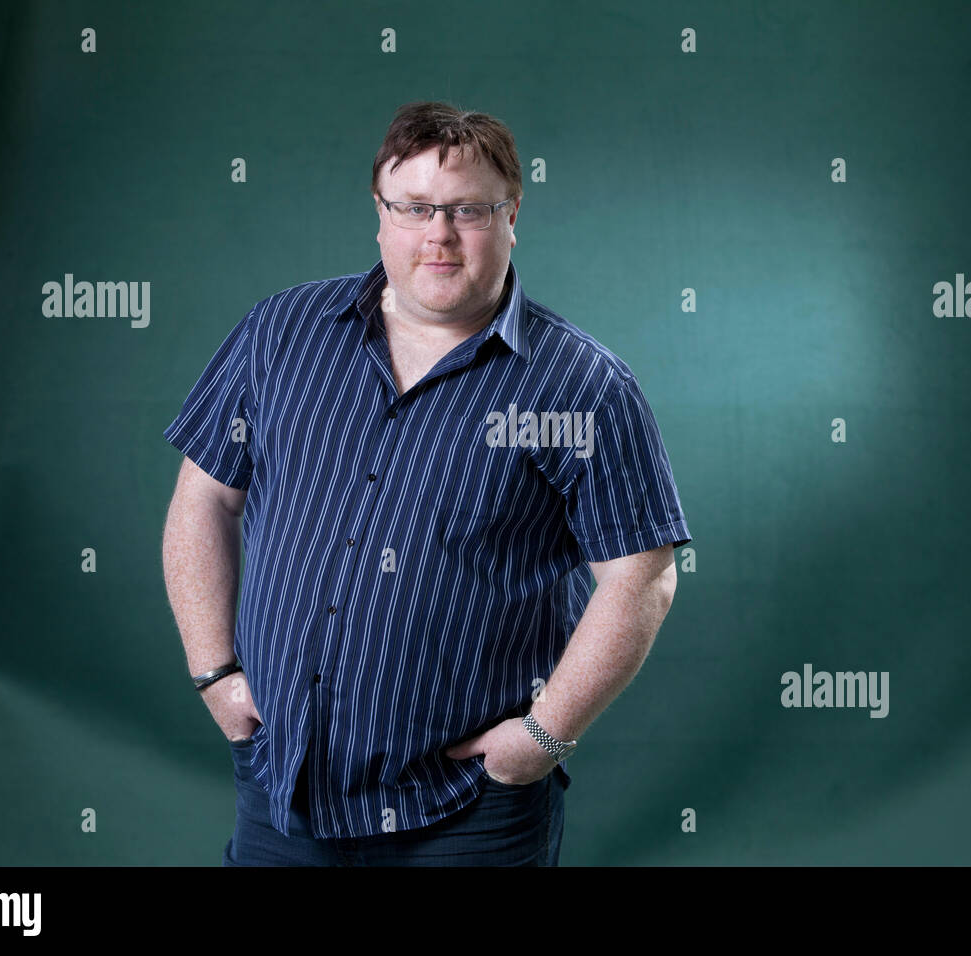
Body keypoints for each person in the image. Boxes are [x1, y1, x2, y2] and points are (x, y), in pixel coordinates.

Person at [160, 101, 691, 866]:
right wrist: (214, 672)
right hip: (284, 788)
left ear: (512, 215)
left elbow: (641, 575)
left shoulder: (581, 385)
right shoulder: (281, 333)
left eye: (467, 209)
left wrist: (543, 737)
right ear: (380, 213)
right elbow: (205, 497)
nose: (438, 234)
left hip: (469, 810)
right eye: (413, 207)